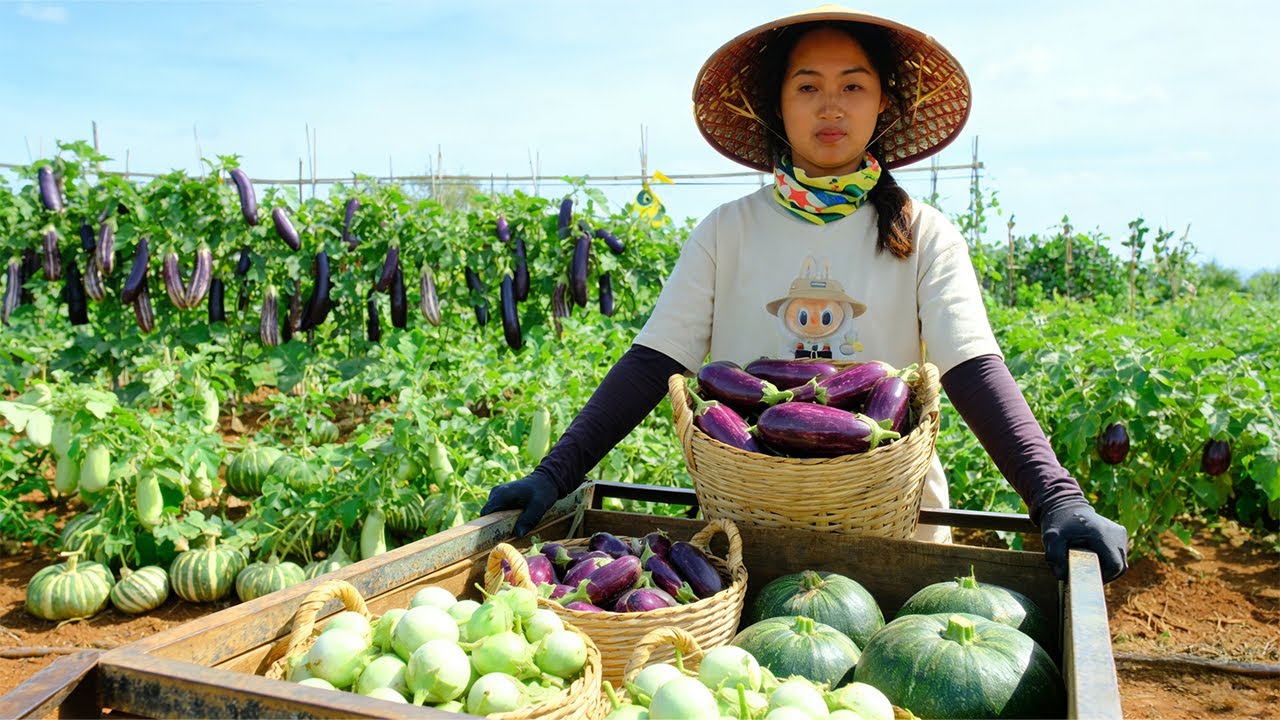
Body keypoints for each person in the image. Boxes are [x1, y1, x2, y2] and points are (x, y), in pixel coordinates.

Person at [481, 5, 1129, 582]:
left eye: (853, 85)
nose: (831, 105)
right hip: (743, 545)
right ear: (776, 106)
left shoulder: (925, 234)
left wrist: (1056, 496)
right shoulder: (726, 232)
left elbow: (972, 366)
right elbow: (656, 360)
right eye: (808, 86)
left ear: (883, 105)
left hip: (894, 543)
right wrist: (554, 473)